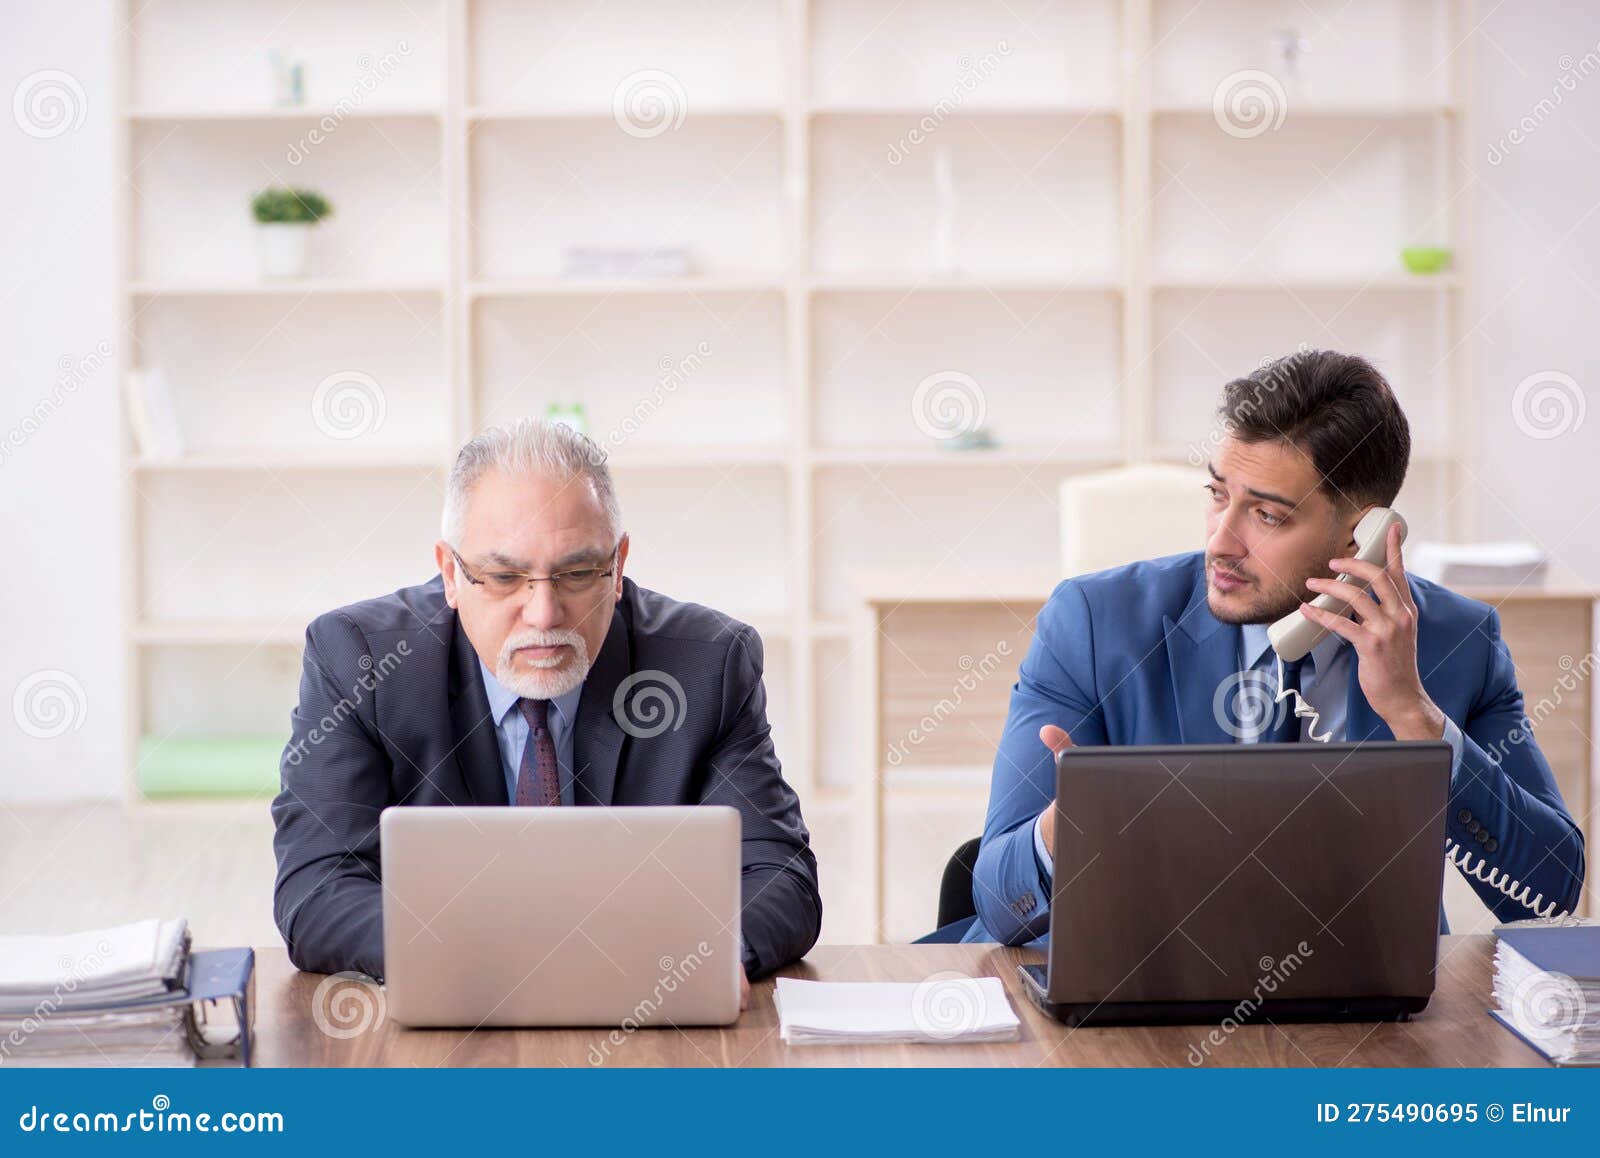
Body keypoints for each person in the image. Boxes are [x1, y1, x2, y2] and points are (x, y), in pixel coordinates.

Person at [958, 349, 1584, 944]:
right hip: (1149, 988)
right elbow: (995, 898)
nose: (1220, 543)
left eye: (1268, 516)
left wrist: (1416, 718)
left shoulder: (1456, 641)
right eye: (1218, 495)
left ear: (1362, 533)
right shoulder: (1094, 623)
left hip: (1369, 1010)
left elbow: (1551, 894)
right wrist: (1064, 830)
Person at [271, 418, 822, 1001]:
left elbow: (778, 877)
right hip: (452, 1013)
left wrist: (702, 955)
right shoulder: (361, 659)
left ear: (618, 565)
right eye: (505, 577)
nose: (543, 613)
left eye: (577, 573)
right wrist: (483, 955)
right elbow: (318, 885)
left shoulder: (707, 664)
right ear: (450, 572)